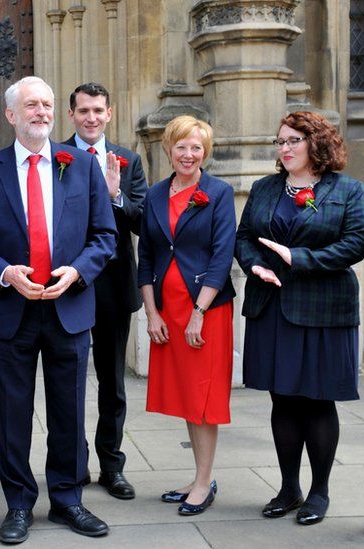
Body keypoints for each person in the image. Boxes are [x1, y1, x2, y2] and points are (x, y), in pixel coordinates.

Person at [0, 76, 117, 544]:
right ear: (11, 115)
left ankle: (67, 500)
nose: (42, 112)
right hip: (13, 309)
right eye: (31, 105)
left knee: (69, 410)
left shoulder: (81, 167)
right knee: (13, 414)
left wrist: (78, 273)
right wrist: (6, 273)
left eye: (47, 104)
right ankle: (20, 504)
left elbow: (104, 237)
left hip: (68, 307)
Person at [234, 111, 364, 525]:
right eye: (280, 142)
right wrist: (255, 265)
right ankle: (289, 487)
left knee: (317, 400)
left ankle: (319, 491)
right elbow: (244, 237)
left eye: (293, 140)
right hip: (272, 305)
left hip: (323, 308)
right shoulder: (264, 188)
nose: (285, 148)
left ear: (316, 143)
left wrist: (299, 257)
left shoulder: (347, 190)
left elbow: (355, 245)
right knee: (283, 398)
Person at [137, 115, 236, 516]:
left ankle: (203, 483)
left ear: (205, 152)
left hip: (206, 312)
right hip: (167, 312)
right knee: (185, 397)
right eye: (181, 146)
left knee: (203, 398)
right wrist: (151, 312)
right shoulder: (156, 194)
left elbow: (222, 255)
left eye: (196, 147)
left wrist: (199, 311)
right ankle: (199, 477)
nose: (189, 154)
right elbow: (146, 257)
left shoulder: (219, 192)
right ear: (169, 149)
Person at [62, 82, 147, 499]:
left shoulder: (128, 161)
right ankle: (73, 466)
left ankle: (111, 466)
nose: (91, 118)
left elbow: (142, 221)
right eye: (83, 111)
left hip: (114, 287)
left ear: (109, 114)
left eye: (98, 110)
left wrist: (115, 196)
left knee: (112, 383)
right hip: (71, 285)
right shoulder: (55, 158)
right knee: (70, 381)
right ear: (72, 115)